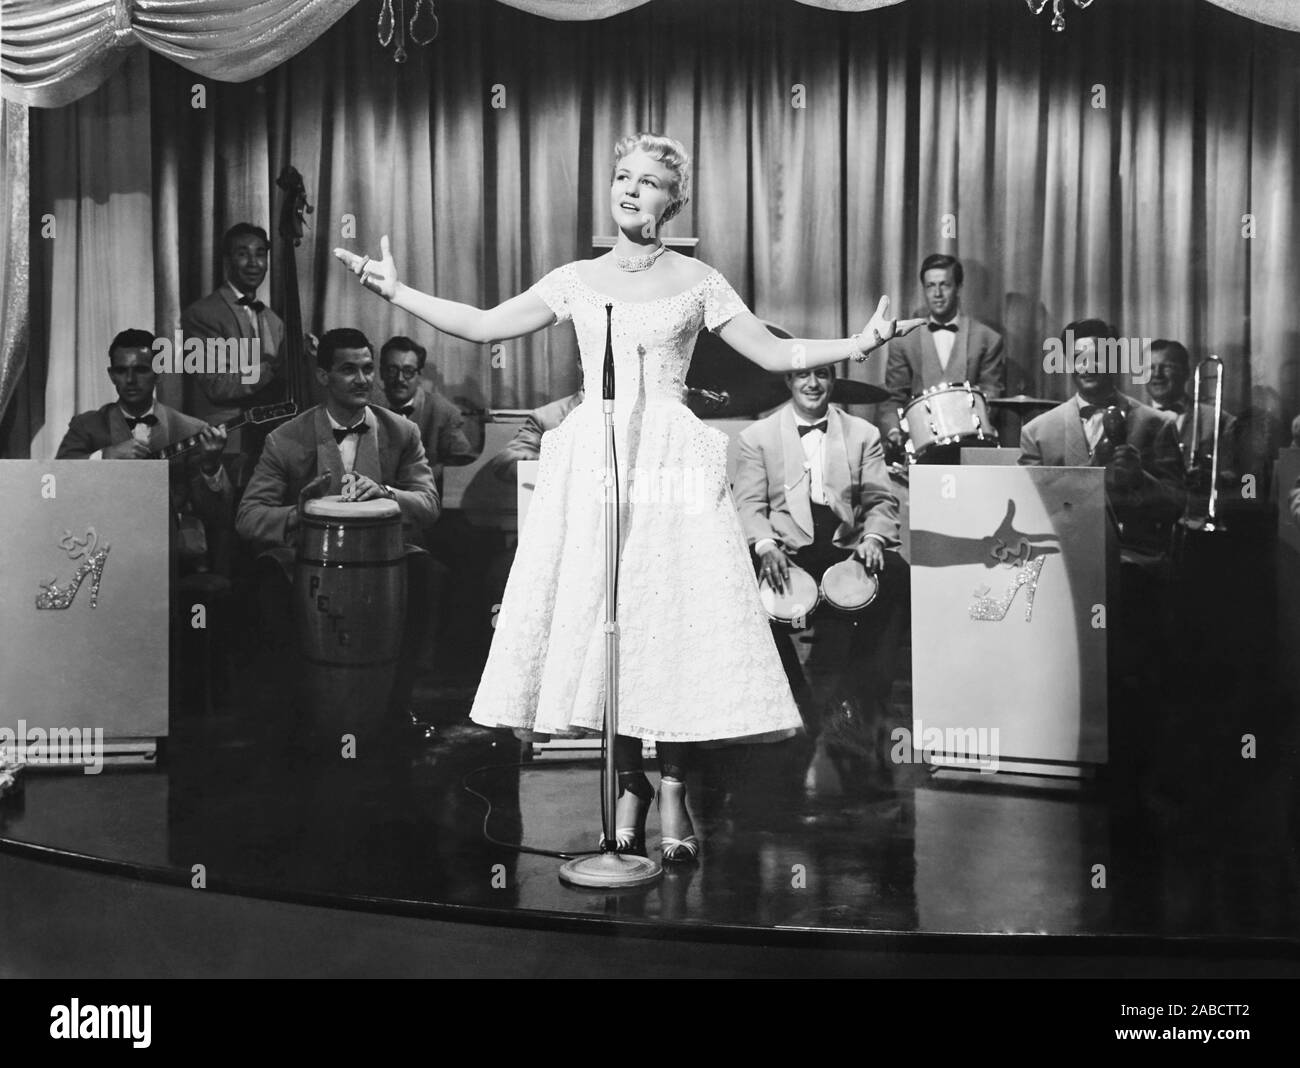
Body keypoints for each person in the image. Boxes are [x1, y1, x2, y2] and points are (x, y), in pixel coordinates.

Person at [335, 132, 924, 862]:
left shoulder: (700, 280)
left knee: (665, 614)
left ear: (674, 201)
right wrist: (396, 292)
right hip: (595, 456)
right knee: (601, 610)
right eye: (621, 176)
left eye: (648, 181)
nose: (630, 189)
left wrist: (855, 345)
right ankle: (628, 781)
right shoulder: (577, 279)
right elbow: (487, 324)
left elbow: (775, 354)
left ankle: (674, 782)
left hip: (671, 458)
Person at [235, 328, 441, 727]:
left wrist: (386, 492)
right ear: (323, 376)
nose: (363, 380)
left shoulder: (402, 431)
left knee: (430, 576)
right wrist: (302, 512)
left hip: (386, 559)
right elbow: (248, 517)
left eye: (367, 369)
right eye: (349, 370)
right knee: (267, 585)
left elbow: (429, 505)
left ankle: (396, 703)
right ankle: (299, 710)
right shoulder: (284, 439)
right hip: (307, 559)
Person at [733, 364, 906, 784]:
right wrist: (766, 544)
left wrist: (874, 540)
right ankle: (798, 706)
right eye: (802, 376)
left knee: (898, 576)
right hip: (785, 548)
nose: (812, 384)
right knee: (740, 589)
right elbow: (749, 506)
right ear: (788, 382)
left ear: (833, 382)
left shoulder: (862, 434)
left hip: (844, 544)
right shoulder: (757, 437)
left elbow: (882, 501)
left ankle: (852, 705)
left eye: (822, 375)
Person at [56, 328, 231, 572]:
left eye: (140, 369)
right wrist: (105, 456)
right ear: (111, 375)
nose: (130, 380)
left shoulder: (191, 430)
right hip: (101, 550)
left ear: (158, 372)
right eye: (121, 370)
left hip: (166, 557)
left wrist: (210, 466)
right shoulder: (87, 426)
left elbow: (217, 515)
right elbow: (56, 481)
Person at [1019, 320, 1185, 555]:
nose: (1087, 366)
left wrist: (1139, 478)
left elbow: (1177, 505)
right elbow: (1028, 509)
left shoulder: (1156, 424)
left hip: (1134, 565)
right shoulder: (1037, 433)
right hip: (1062, 562)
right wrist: (1092, 468)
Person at [181, 223, 287, 478]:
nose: (254, 262)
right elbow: (216, 384)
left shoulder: (274, 321)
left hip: (267, 447)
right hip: (223, 447)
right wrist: (272, 367)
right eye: (243, 253)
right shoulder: (201, 314)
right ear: (228, 261)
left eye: (260, 254)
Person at [881, 253, 1004, 444]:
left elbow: (991, 398)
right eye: (930, 286)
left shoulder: (988, 339)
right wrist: (893, 431)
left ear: (958, 288)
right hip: (920, 446)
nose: (937, 294)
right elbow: (893, 398)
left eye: (944, 285)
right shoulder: (904, 341)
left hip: (971, 445)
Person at [377, 335, 478, 490]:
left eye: (408, 371)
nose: (400, 378)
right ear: (382, 373)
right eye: (392, 370)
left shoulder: (443, 411)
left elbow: (462, 459)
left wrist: (433, 473)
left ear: (419, 375)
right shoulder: (367, 409)